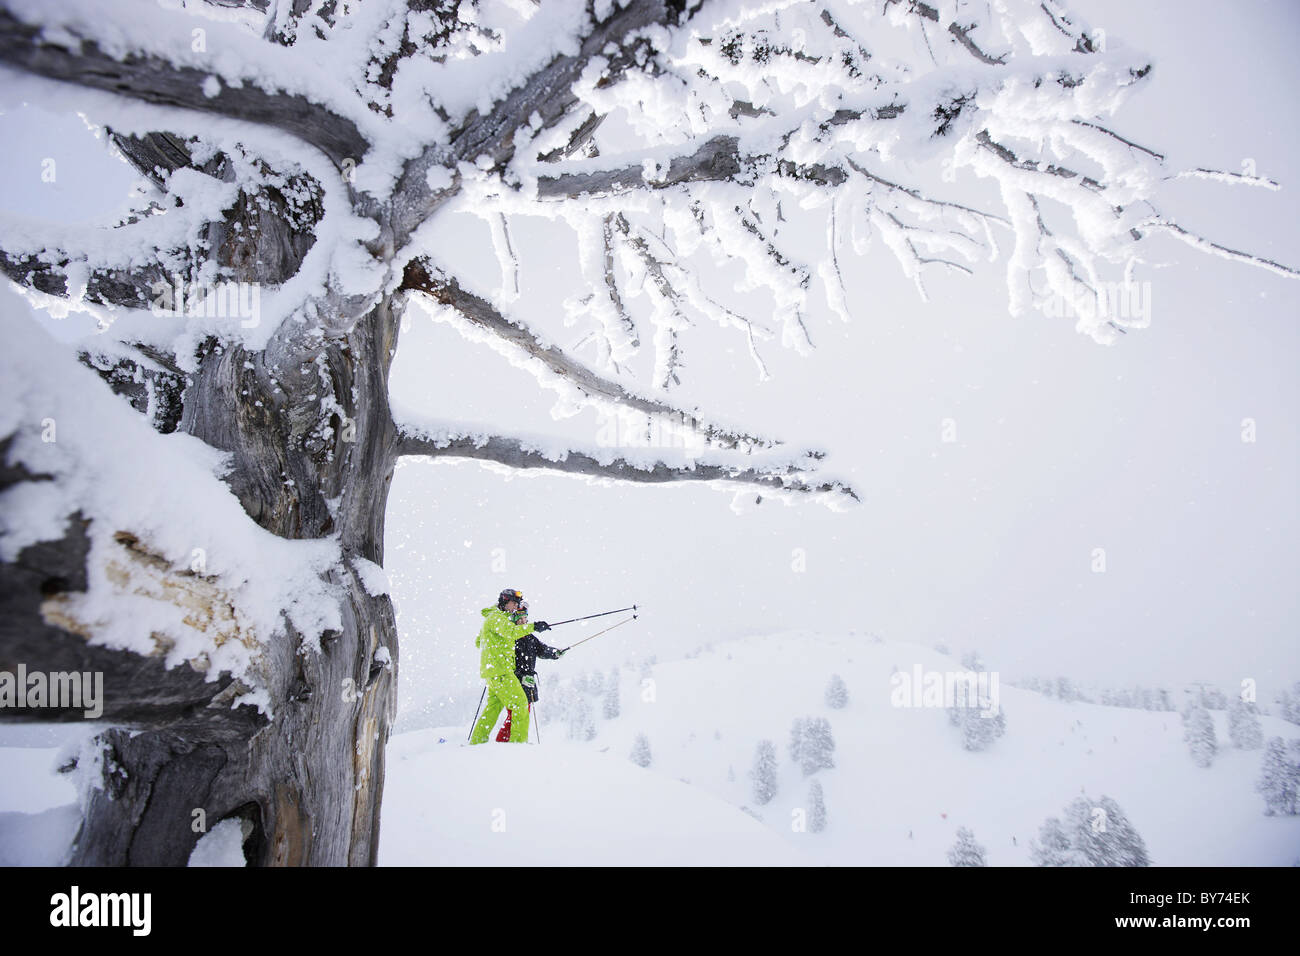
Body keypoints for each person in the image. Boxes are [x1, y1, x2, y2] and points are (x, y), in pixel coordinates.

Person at [469, 588, 551, 745]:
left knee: (493, 707)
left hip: (494, 670)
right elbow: (511, 633)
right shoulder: (496, 618)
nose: (516, 607)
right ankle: (518, 745)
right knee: (520, 704)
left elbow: (479, 641)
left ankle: (477, 742)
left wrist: (492, 642)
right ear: (505, 602)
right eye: (514, 603)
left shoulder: (496, 618)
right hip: (500, 671)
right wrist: (534, 627)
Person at [496, 600, 566, 741]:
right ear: (513, 621)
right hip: (514, 679)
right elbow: (507, 662)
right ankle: (504, 742)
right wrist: (520, 676)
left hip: (528, 680)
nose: (523, 621)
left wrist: (555, 652)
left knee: (523, 712)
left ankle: (514, 741)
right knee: (515, 713)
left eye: (524, 618)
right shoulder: (511, 638)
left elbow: (542, 650)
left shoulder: (530, 638)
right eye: (519, 619)